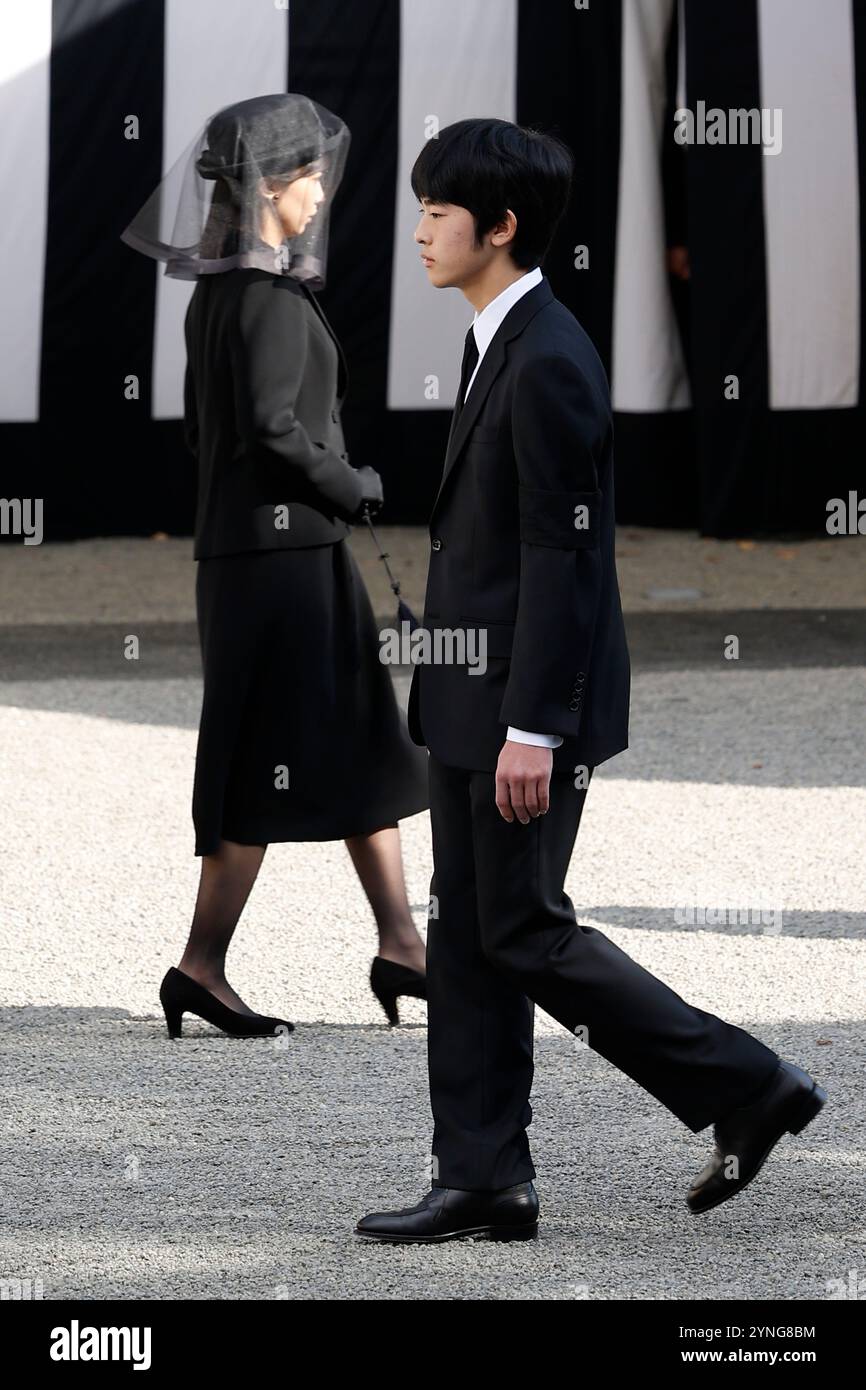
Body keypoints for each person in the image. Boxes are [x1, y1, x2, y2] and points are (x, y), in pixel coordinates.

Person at [356, 117, 826, 1242]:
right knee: (467, 933)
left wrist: (532, 727)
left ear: (502, 227)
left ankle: (748, 1085)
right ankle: (483, 1176)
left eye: (437, 210)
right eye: (418, 207)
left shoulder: (549, 355)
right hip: (477, 699)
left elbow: (564, 559)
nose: (417, 230)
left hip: (525, 710)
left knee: (520, 927)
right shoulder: (494, 338)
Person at [120, 94, 430, 1039]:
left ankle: (403, 947)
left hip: (276, 556)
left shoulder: (219, 291)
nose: (324, 191)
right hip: (280, 562)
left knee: (361, 739)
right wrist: (353, 480)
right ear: (276, 183)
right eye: (315, 175)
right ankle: (200, 966)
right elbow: (268, 428)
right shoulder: (266, 292)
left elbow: (199, 434)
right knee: (264, 760)